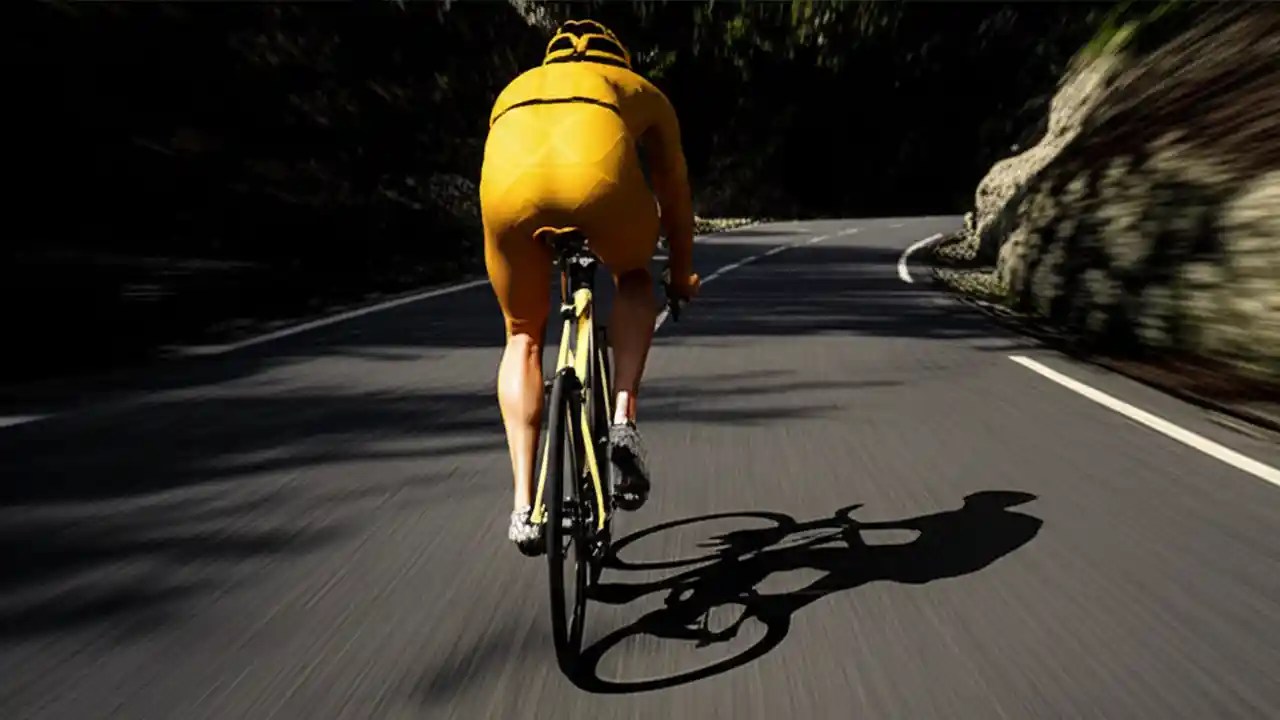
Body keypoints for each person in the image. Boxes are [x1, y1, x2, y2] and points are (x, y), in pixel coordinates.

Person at [478, 19, 700, 555]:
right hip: (600, 189)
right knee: (632, 276)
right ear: (617, 58)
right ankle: (622, 416)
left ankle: (523, 506)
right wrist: (682, 273)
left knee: (523, 336)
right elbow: (674, 191)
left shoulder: (516, 86)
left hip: (508, 197)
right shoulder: (638, 89)